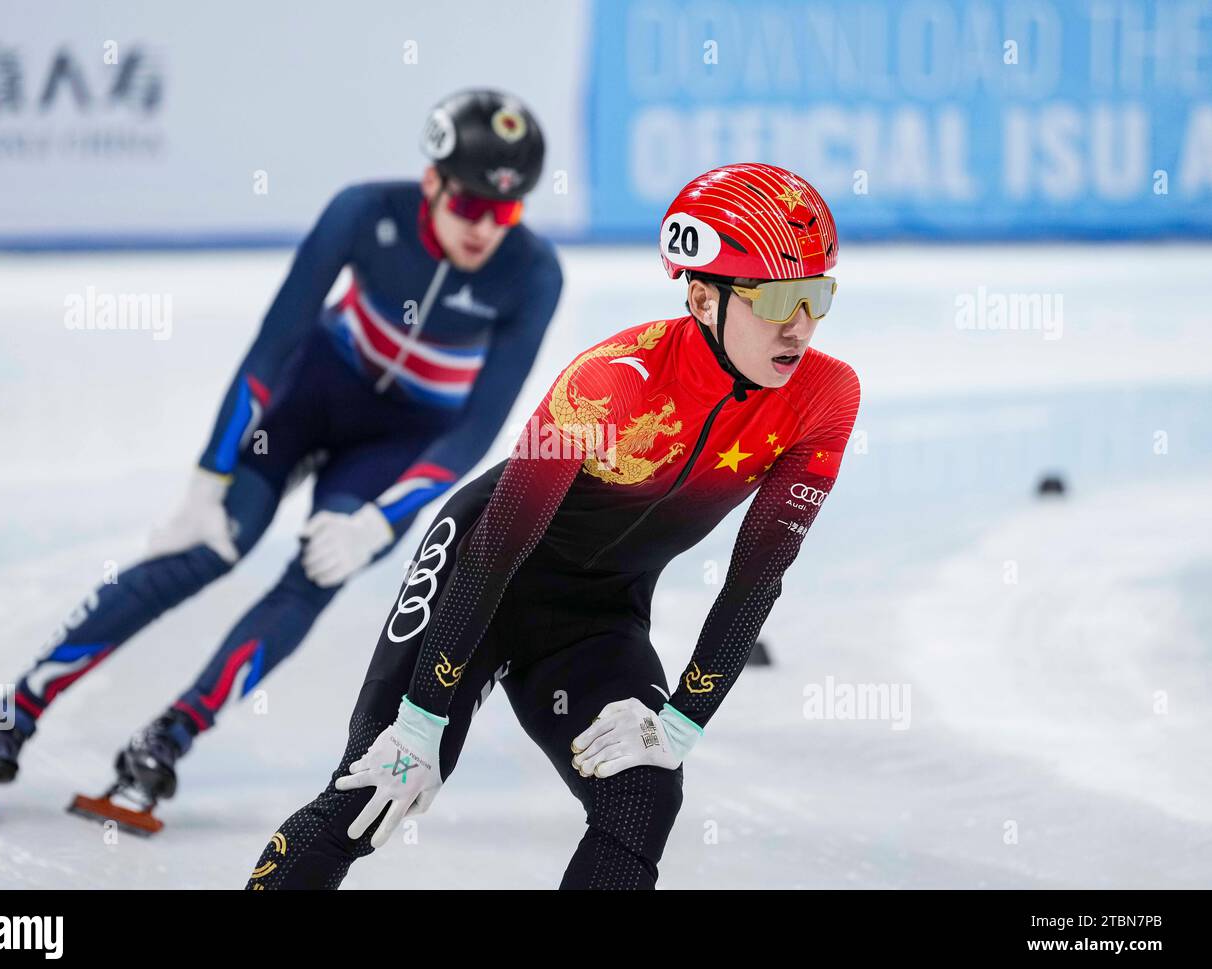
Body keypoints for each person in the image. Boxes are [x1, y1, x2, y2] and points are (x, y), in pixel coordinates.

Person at [0, 89, 562, 826]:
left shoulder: (535, 274)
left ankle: (169, 738)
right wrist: (208, 475)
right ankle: (11, 714)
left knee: (321, 570)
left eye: (505, 212)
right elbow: (274, 345)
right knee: (206, 548)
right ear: (432, 182)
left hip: (397, 443)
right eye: (471, 205)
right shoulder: (362, 210)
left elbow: (478, 428)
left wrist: (381, 523)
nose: (484, 228)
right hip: (310, 396)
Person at [245, 162, 861, 889]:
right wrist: (420, 720)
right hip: (480, 576)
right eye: (779, 297)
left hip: (594, 620)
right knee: (376, 788)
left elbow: (756, 577)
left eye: (817, 296)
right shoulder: (608, 383)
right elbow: (493, 551)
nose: (801, 325)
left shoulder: (826, 395)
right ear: (701, 296)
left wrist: (683, 722)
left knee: (642, 796)